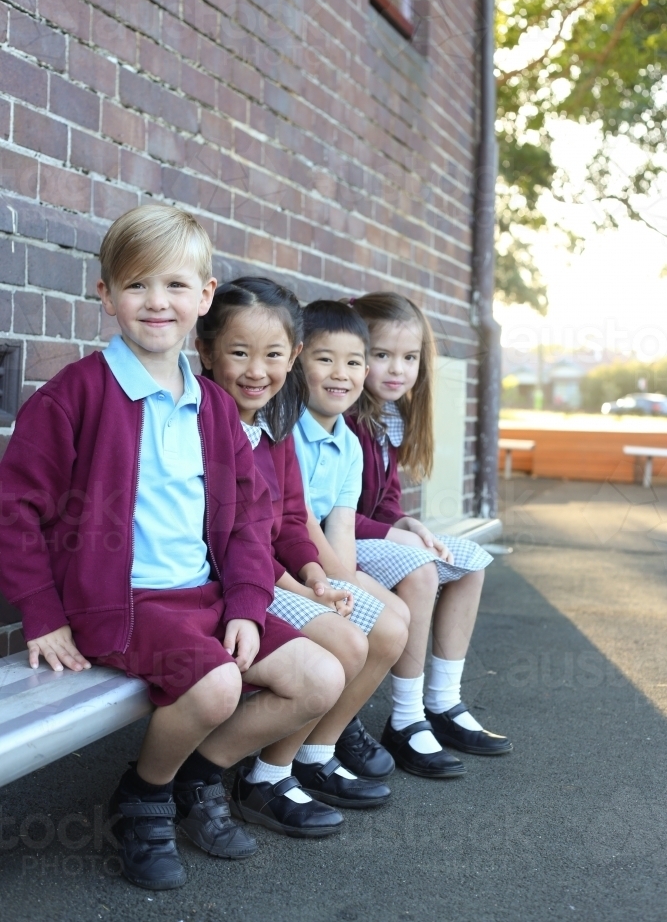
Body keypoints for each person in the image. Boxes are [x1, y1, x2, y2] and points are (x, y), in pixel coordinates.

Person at [0, 206, 346, 891]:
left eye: (175, 286)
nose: (156, 302)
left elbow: (249, 520)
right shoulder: (77, 396)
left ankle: (190, 779)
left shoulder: (214, 407)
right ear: (105, 294)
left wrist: (247, 603)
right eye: (135, 286)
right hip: (119, 606)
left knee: (320, 677)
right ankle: (143, 801)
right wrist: (43, 612)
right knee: (217, 685)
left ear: (204, 296)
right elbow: (16, 510)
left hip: (205, 597)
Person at [196, 277, 408, 810]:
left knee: (368, 630)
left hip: (272, 575)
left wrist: (316, 576)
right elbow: (230, 542)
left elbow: (291, 518)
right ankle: (252, 771)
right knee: (347, 642)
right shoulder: (204, 422)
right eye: (239, 353)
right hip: (226, 584)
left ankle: (297, 760)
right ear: (206, 349)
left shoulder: (274, 423)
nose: (256, 371)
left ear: (289, 357)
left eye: (271, 355)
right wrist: (301, 586)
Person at [345, 292, 512, 779]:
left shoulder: (387, 416)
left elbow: (386, 500)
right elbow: (324, 514)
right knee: (419, 570)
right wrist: (391, 535)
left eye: (410, 357)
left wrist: (404, 524)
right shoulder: (343, 420)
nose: (397, 369)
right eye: (381, 355)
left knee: (470, 561)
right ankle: (406, 718)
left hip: (374, 537)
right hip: (337, 546)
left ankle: (442, 703)